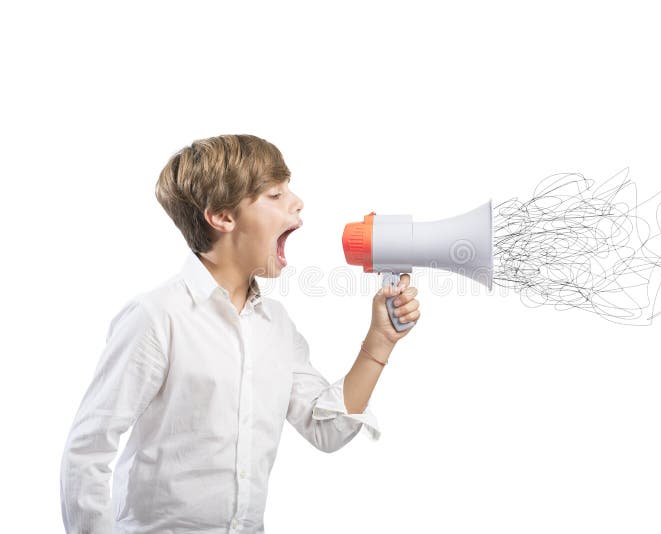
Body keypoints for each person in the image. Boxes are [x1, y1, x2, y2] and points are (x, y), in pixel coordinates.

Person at [59, 134, 421, 533]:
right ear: (223, 218)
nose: (297, 202)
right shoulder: (158, 317)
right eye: (275, 194)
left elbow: (327, 429)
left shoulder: (276, 326)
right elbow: (86, 453)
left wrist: (379, 341)